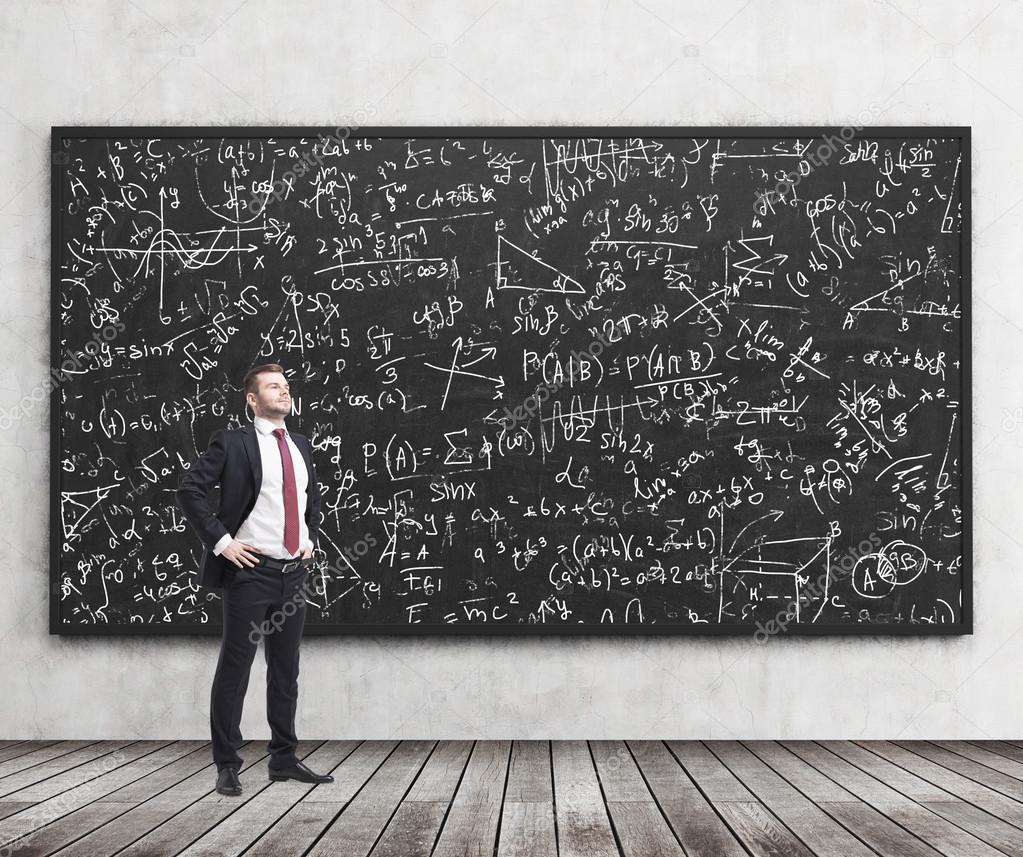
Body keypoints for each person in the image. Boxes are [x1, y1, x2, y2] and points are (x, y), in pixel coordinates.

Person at [176, 363, 334, 796]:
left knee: (286, 671)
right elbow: (190, 490)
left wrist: (310, 538)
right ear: (252, 399)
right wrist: (223, 543)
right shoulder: (232, 442)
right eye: (273, 387)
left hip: (293, 574)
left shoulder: (300, 444)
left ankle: (283, 759)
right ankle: (227, 764)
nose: (284, 392)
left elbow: (309, 500)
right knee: (236, 670)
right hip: (250, 574)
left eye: (286, 386)